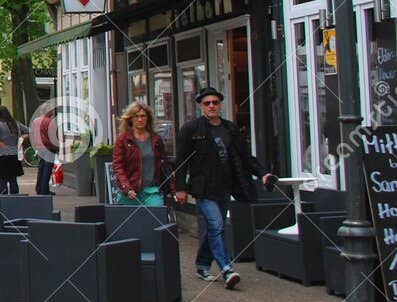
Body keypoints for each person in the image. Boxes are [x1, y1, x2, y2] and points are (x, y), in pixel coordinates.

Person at [175, 87, 275, 290]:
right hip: (204, 188)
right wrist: (180, 188)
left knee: (215, 228)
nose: (211, 106)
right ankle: (227, 269)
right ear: (200, 106)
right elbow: (181, 161)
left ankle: (202, 265)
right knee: (216, 225)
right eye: (207, 103)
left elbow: (245, 156)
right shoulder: (191, 129)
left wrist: (262, 173)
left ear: (220, 104)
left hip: (225, 186)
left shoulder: (230, 129)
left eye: (215, 102)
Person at [111, 102, 172, 207]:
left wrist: (174, 189)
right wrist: (126, 187)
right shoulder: (123, 140)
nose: (140, 119)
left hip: (152, 191)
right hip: (131, 191)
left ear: (148, 118)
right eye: (136, 116)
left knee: (156, 215)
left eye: (143, 116)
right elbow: (118, 166)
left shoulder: (156, 139)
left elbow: (165, 165)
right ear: (130, 119)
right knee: (130, 217)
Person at [0, 105, 24, 196]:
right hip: (13, 154)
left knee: (2, 179)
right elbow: (29, 130)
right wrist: (22, 137)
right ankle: (15, 197)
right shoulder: (15, 123)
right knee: (13, 178)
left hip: (1, 154)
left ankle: (4, 198)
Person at [32, 107, 59, 197]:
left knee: (41, 168)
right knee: (47, 169)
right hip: (48, 147)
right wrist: (57, 148)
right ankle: (44, 190)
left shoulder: (35, 121)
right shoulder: (50, 122)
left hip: (39, 147)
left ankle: (39, 188)